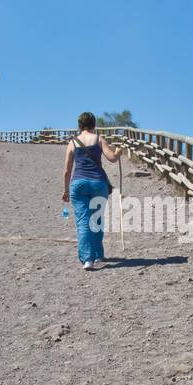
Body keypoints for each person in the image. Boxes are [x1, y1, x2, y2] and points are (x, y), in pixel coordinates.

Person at [62, 113, 124, 270]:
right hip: (98, 183)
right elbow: (112, 158)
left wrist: (65, 190)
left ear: (79, 125)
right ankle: (98, 254)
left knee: (83, 220)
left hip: (78, 184)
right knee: (97, 219)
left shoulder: (72, 143)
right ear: (94, 124)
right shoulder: (98, 139)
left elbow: (66, 171)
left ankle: (87, 259)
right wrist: (117, 152)